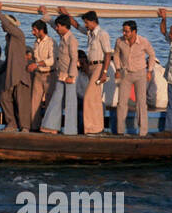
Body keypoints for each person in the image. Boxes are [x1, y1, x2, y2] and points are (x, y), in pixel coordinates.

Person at [61, 7, 113, 135]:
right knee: (94, 98)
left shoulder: (102, 34)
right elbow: (77, 26)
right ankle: (95, 127)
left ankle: (92, 127)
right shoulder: (90, 33)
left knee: (89, 97)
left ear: (92, 21)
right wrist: (67, 15)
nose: (85, 25)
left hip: (99, 66)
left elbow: (107, 54)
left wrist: (104, 72)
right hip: (91, 66)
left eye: (87, 22)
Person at [114, 19, 156, 136]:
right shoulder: (119, 41)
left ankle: (143, 132)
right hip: (125, 73)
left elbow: (152, 54)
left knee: (141, 103)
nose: (124, 33)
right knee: (121, 102)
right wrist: (117, 69)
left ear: (134, 32)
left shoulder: (143, 41)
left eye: (126, 31)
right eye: (123, 31)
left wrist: (150, 71)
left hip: (140, 73)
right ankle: (120, 131)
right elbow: (116, 54)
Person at [0, 3, 31, 132]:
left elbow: (7, 25)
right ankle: (12, 124)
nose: (2, 26)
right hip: (10, 74)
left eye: (4, 23)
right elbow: (9, 59)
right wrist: (0, 70)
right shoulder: (9, 38)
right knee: (4, 97)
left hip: (20, 74)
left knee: (22, 102)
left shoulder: (18, 34)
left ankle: (25, 127)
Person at [40, 14, 79, 135]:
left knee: (70, 102)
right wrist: (45, 15)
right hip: (61, 73)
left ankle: (70, 130)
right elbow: (53, 25)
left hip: (69, 74)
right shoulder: (63, 37)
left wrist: (71, 76)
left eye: (58, 26)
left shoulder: (71, 39)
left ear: (64, 26)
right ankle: (50, 126)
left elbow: (74, 58)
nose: (56, 28)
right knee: (56, 98)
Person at [27, 17, 55, 131]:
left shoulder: (51, 42)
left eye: (34, 30)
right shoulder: (36, 43)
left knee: (49, 102)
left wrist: (37, 64)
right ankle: (34, 126)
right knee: (35, 102)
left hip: (49, 74)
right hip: (38, 74)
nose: (33, 33)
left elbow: (52, 60)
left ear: (41, 30)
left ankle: (48, 126)